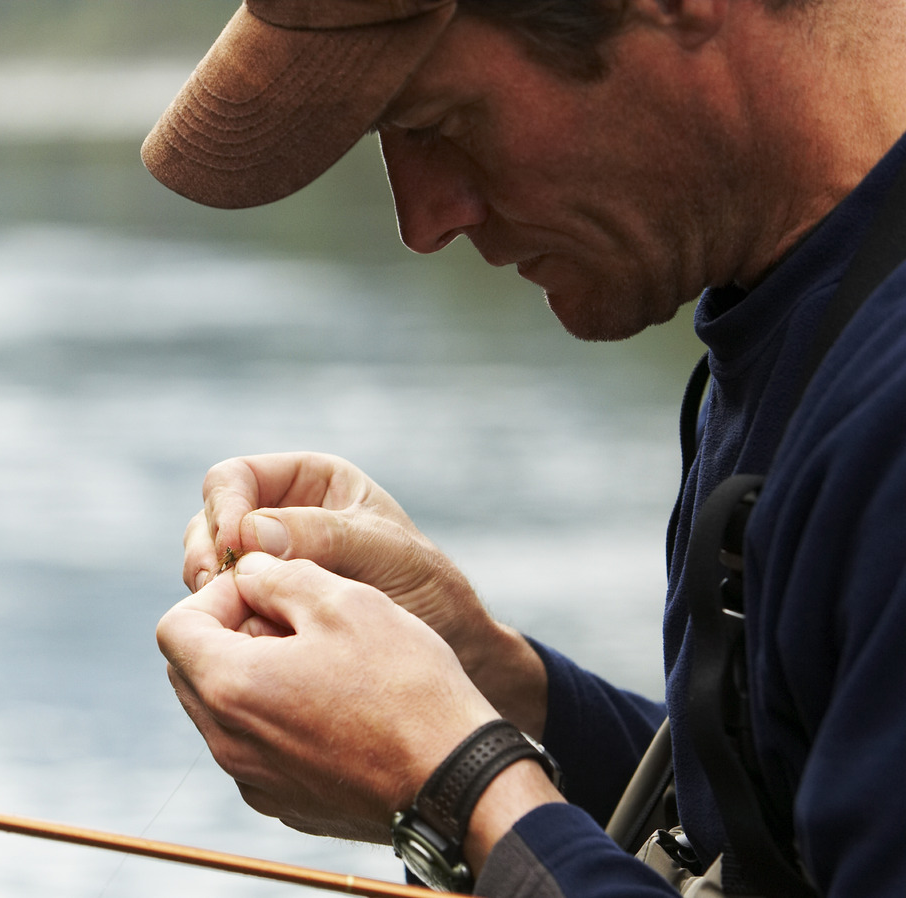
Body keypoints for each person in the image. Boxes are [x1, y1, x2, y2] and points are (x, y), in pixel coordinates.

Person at [144, 0, 906, 895]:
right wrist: (492, 684)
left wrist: (457, 782)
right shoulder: (799, 307)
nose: (424, 222)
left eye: (436, 123)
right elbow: (783, 814)